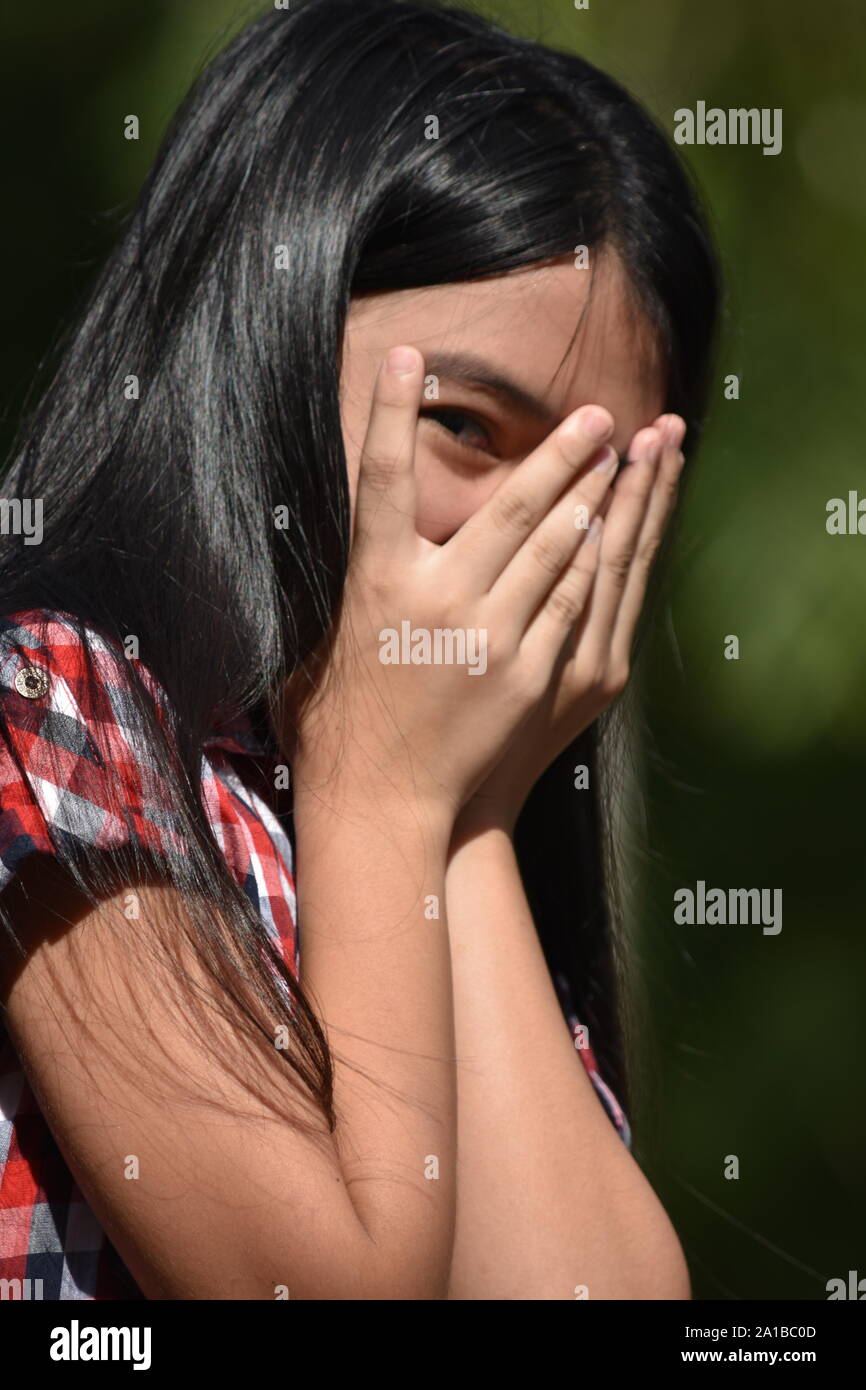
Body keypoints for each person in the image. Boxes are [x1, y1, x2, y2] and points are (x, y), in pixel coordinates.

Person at [0, 0, 719, 1300]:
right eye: (463, 424)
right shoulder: (52, 702)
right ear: (258, 349)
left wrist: (465, 811)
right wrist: (383, 789)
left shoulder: (420, 834)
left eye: (585, 495)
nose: (522, 537)